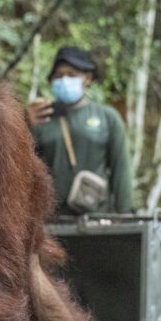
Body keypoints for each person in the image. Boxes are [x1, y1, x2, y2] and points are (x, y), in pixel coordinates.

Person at [26, 46, 133, 215]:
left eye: (72, 75)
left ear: (88, 78)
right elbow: (21, 167)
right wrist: (24, 122)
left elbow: (121, 169)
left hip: (97, 219)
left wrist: (125, 214)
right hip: (51, 222)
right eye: (59, 76)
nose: (64, 80)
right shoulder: (40, 117)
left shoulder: (107, 117)